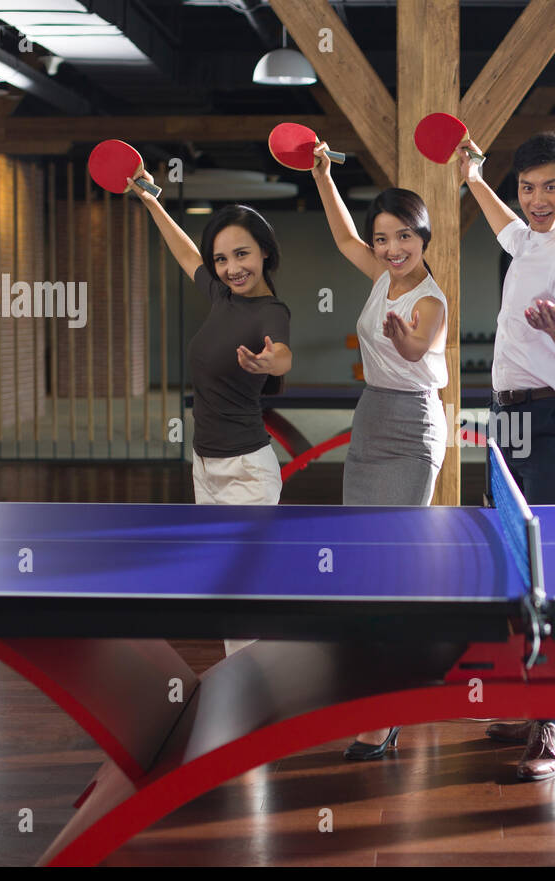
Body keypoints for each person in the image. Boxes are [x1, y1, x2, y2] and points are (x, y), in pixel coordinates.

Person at [455, 130, 555, 782]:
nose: (538, 199)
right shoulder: (531, 238)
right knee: (515, 560)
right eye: (528, 187)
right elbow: (508, 228)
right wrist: (473, 179)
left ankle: (551, 725)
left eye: (552, 185)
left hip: (552, 418)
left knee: (544, 568)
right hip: (510, 414)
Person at [308, 144, 449, 760]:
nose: (392, 249)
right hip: (370, 418)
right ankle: (374, 681)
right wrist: (322, 175)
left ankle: (391, 706)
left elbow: (419, 349)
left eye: (403, 238)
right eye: (383, 238)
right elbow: (342, 238)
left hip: (413, 427)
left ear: (423, 238)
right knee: (364, 562)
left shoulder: (429, 300)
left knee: (396, 567)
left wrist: (402, 338)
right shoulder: (381, 275)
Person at [132, 178, 293, 657]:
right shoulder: (221, 297)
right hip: (206, 469)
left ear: (264, 252)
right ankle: (247, 691)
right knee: (229, 591)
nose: (231, 268)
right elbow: (185, 251)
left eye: (241, 254)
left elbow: (283, 352)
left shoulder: (271, 311)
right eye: (222, 259)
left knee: (246, 590)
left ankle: (258, 695)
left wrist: (270, 363)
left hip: (247, 472)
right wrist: (150, 201)